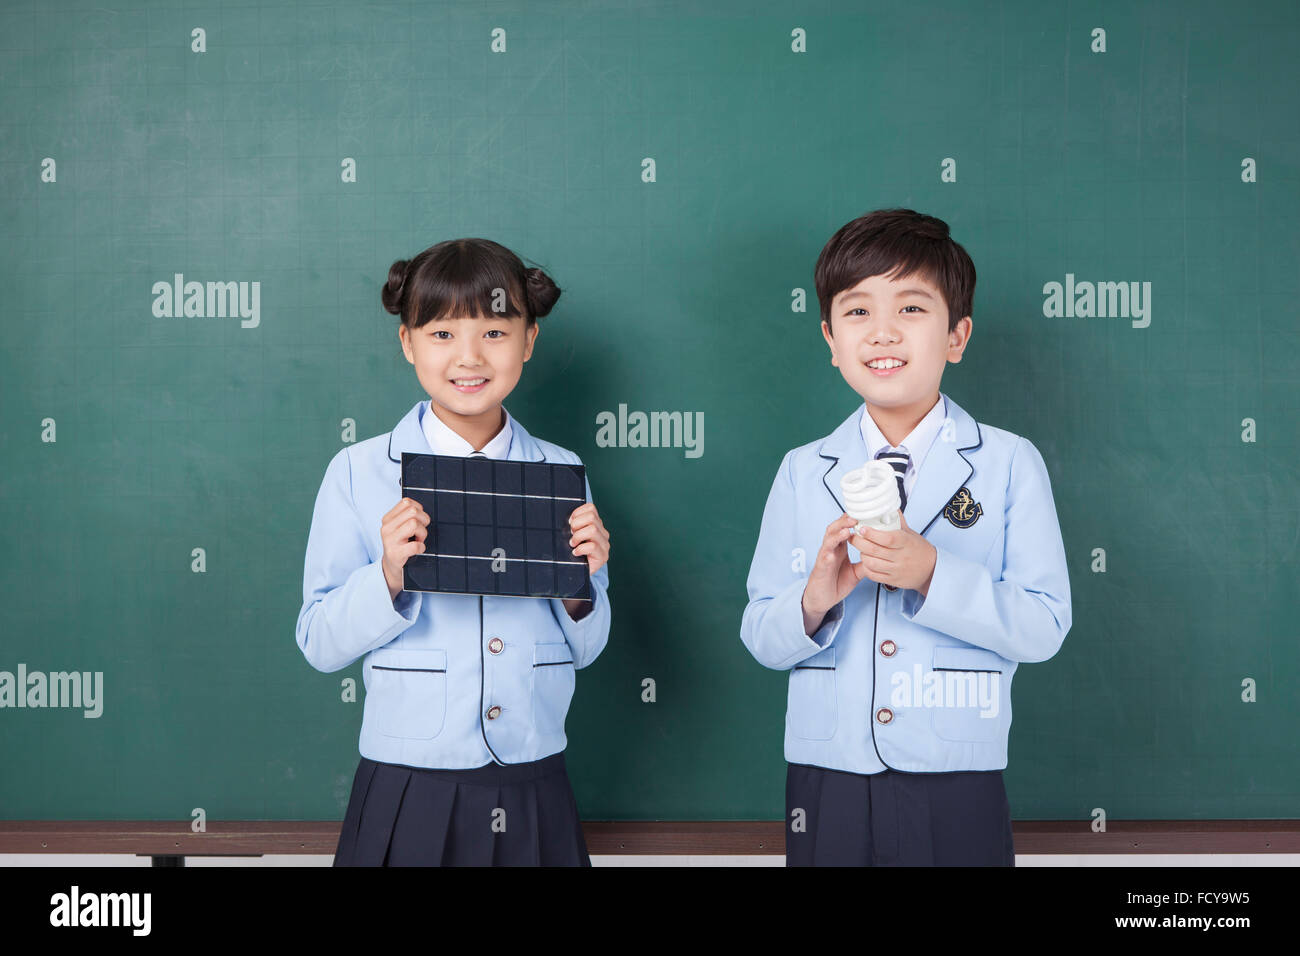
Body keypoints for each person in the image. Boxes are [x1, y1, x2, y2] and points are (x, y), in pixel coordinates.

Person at [740, 209, 1071, 866]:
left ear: (957, 335)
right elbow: (760, 635)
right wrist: (812, 604)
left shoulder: (1007, 463)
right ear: (831, 340)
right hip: (827, 774)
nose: (883, 331)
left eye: (913, 308)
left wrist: (932, 574)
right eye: (857, 312)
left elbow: (1044, 625)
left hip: (956, 770)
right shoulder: (805, 470)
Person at [296, 238, 612, 865]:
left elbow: (588, 647)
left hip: (532, 772)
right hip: (410, 780)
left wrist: (582, 587)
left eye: (495, 331)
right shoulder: (359, 472)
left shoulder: (561, 469)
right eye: (441, 334)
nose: (469, 357)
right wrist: (387, 574)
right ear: (408, 342)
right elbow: (318, 641)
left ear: (529, 341)